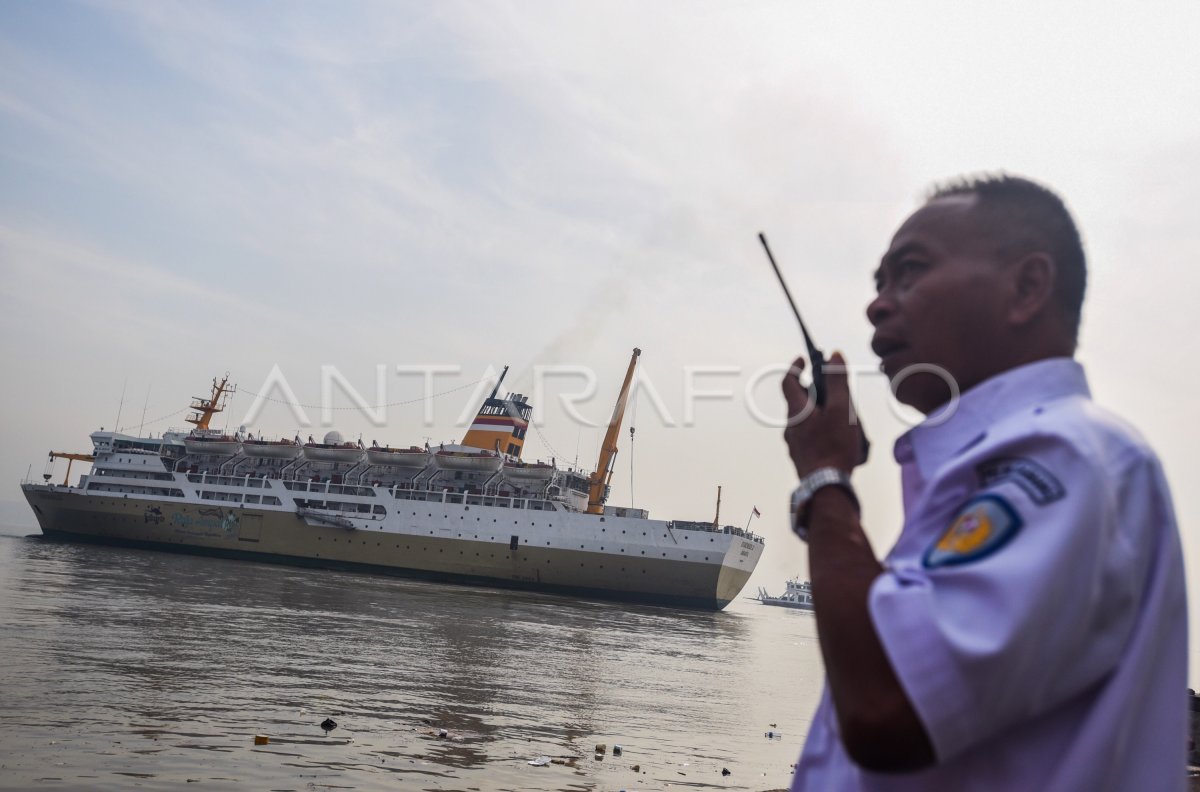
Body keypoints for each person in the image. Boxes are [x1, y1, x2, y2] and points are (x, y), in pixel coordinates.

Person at [781, 174, 1187, 791]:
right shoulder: (991, 472)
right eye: (879, 283)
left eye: (910, 271)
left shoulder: (1070, 456)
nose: (878, 304)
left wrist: (825, 481)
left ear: (1027, 288)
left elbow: (889, 707)